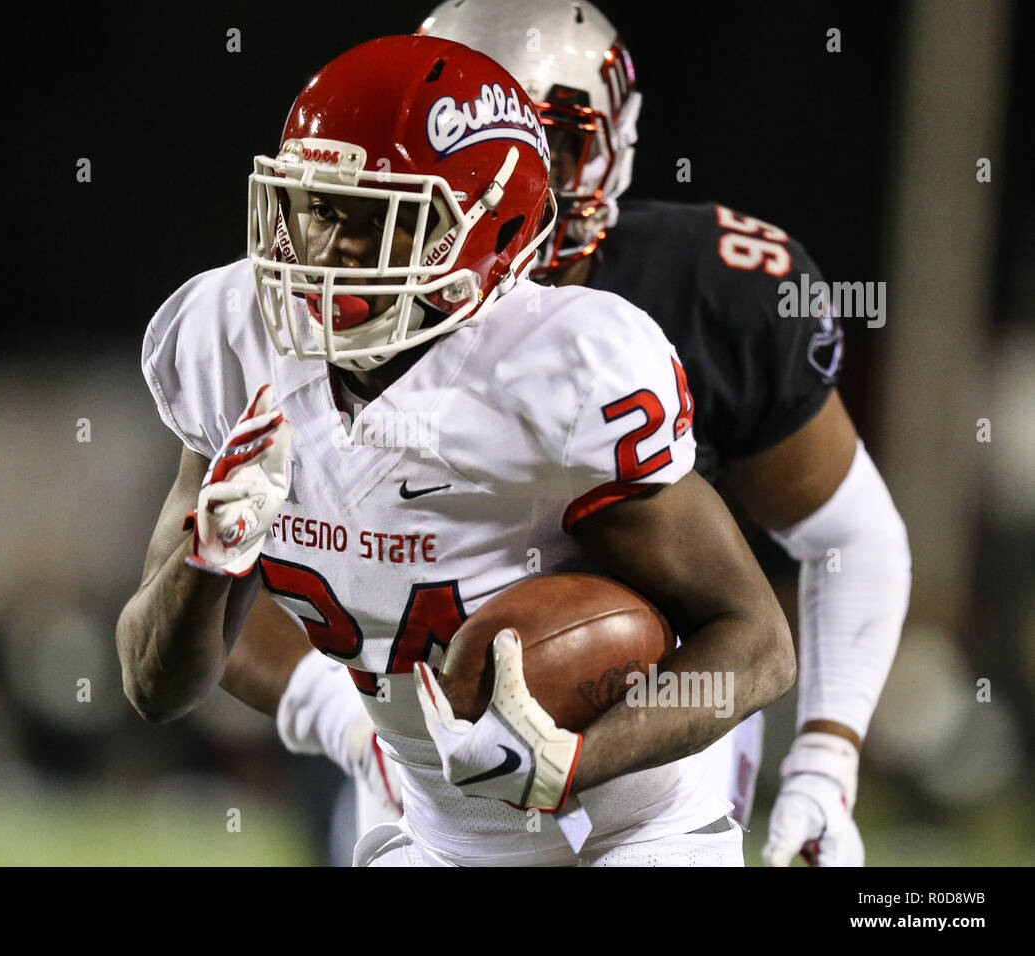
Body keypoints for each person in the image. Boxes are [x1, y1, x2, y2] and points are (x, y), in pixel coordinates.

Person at [122, 33, 795, 866]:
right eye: (321, 209)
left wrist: (570, 763)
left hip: (631, 835)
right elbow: (154, 688)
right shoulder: (233, 345)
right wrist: (208, 560)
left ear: (491, 231)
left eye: (376, 222)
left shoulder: (560, 374)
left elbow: (756, 642)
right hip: (437, 840)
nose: (329, 255)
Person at [269, 0, 912, 867]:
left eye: (552, 139)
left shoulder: (711, 291)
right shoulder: (322, 312)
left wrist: (825, 765)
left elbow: (846, 537)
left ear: (610, 141)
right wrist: (349, 721)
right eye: (480, 151)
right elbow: (223, 573)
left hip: (657, 740)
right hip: (422, 740)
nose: (517, 176)